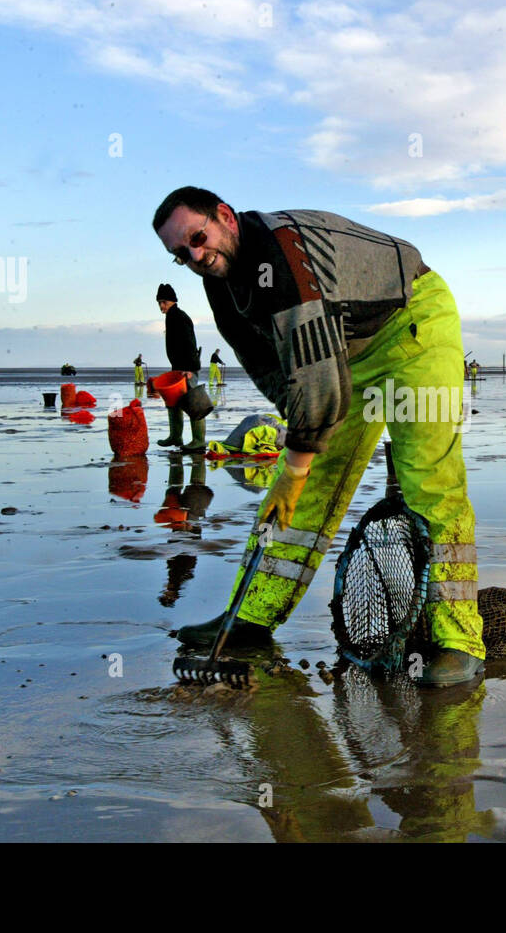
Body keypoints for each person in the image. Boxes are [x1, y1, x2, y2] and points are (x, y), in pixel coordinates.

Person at [152, 187, 484, 687]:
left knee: (429, 483)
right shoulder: (222, 282)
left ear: (225, 216)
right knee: (300, 493)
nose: (196, 256)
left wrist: (296, 459)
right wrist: (298, 442)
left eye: (198, 238)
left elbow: (316, 371)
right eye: (182, 255)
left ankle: (458, 644)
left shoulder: (283, 255)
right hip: (346, 351)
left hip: (414, 325)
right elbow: (266, 363)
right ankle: (250, 618)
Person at [155, 283, 206, 450]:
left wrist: (189, 369)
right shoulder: (171, 316)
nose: (161, 306)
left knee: (193, 402)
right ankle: (175, 437)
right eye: (159, 302)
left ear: (172, 301)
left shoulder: (179, 316)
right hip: (178, 367)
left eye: (164, 302)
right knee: (173, 400)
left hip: (187, 367)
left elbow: (189, 343)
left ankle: (198, 441)